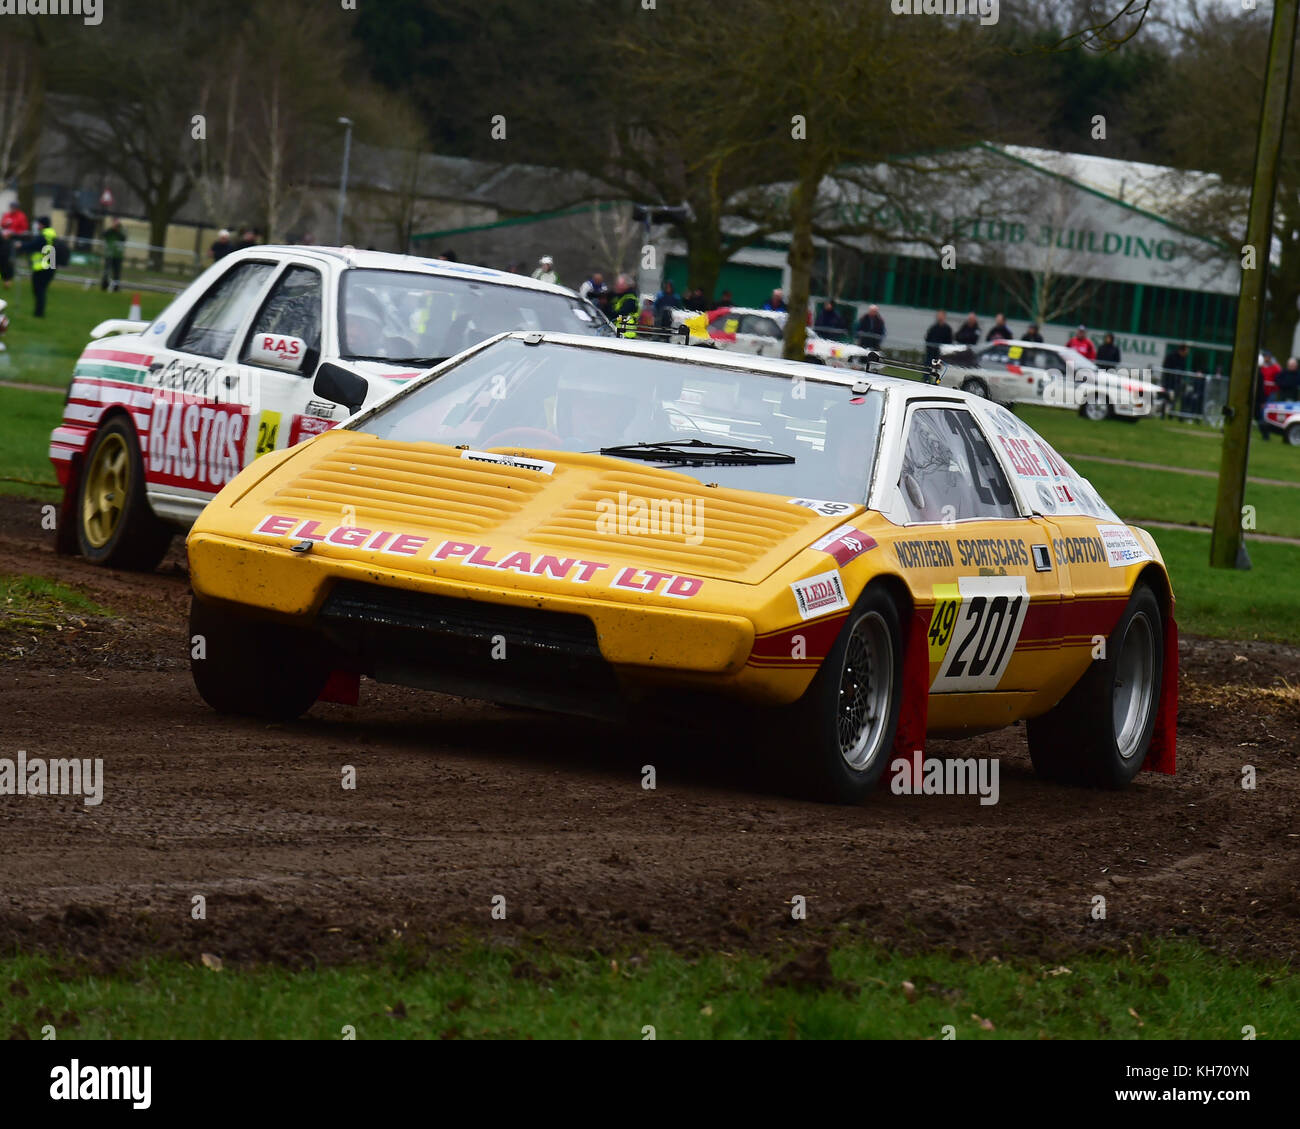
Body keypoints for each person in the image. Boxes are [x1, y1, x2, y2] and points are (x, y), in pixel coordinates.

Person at [21, 216, 59, 318]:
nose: (37, 226)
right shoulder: (51, 235)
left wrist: (20, 245)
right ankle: (39, 312)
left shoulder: (43, 236)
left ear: (42, 224)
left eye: (38, 224)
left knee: (39, 291)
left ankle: (38, 313)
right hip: (50, 266)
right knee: (41, 290)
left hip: (42, 267)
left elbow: (32, 245)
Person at [101, 219, 126, 292]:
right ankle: (104, 286)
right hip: (109, 254)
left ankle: (116, 287)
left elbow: (123, 238)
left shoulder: (121, 232)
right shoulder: (110, 232)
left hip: (118, 255)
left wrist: (117, 230)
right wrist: (112, 228)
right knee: (107, 271)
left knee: (117, 272)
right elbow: (103, 234)